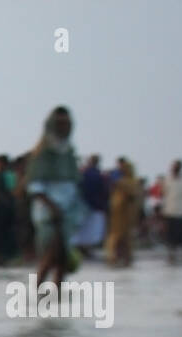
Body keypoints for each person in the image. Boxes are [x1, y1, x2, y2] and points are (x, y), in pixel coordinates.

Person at [25, 106, 82, 287]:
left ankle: (55, 302)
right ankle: (36, 296)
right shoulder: (42, 153)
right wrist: (52, 207)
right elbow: (35, 187)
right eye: (60, 123)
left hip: (68, 212)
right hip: (47, 212)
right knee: (49, 256)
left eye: (66, 123)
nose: (64, 127)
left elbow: (74, 183)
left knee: (62, 261)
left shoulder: (69, 152)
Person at [105, 158, 140, 267]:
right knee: (115, 237)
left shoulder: (129, 182)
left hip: (127, 214)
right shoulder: (122, 181)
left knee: (126, 238)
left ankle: (125, 257)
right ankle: (112, 256)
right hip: (117, 214)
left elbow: (132, 194)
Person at [73, 154, 108, 254]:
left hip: (85, 204)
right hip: (91, 205)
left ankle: (82, 249)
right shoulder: (97, 175)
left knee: (83, 229)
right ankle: (84, 249)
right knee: (89, 230)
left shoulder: (86, 173)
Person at [163, 159, 182, 263]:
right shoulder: (167, 179)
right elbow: (164, 195)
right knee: (170, 236)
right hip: (170, 211)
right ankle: (171, 254)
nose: (174, 169)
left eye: (176, 167)